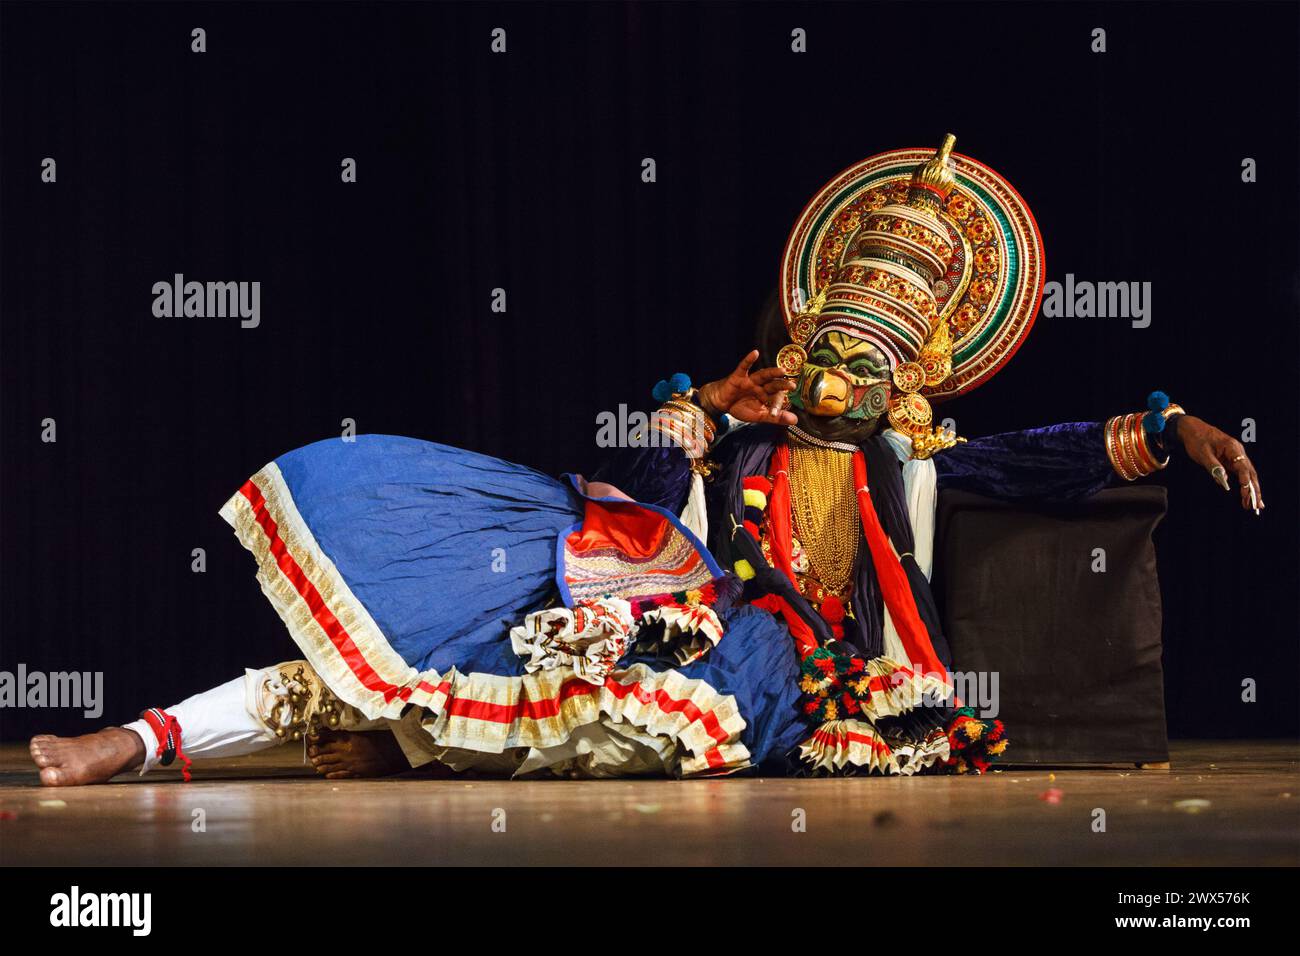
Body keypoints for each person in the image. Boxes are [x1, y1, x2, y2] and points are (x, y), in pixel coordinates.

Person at [30, 136, 1263, 785]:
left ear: (908, 380)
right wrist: (698, 421)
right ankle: (138, 741)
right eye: (819, 350)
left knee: (506, 716)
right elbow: (633, 509)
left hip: (799, 674)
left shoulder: (922, 462)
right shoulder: (735, 434)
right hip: (653, 601)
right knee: (436, 646)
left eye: (861, 365)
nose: (831, 378)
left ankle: (315, 737)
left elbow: (1043, 459)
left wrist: (1164, 427)